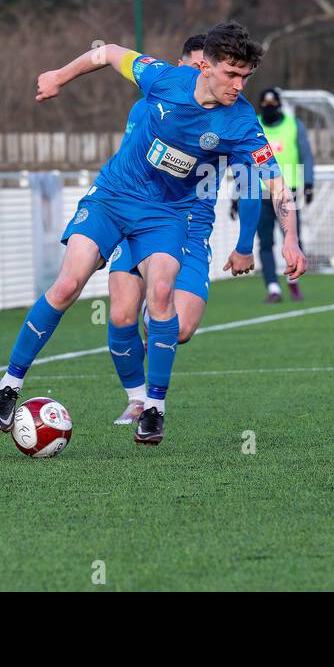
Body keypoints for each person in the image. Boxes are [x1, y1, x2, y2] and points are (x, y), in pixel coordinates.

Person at [0, 22, 306, 447]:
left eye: (245, 76)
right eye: (231, 74)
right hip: (114, 196)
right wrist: (59, 76)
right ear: (204, 66)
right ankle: (9, 385)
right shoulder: (164, 78)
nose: (238, 85)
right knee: (66, 285)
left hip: (167, 214)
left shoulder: (242, 120)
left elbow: (274, 182)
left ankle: (153, 407)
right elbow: (108, 52)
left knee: (159, 295)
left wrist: (290, 238)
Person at [103, 34, 263, 425]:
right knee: (122, 314)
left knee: (181, 327)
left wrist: (249, 240)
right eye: (193, 69)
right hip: (140, 217)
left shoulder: (232, 116)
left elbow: (255, 176)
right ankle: (138, 400)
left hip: (190, 227)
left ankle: (154, 348)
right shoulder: (150, 108)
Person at [256, 87, 314, 303]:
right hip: (259, 193)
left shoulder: (293, 125)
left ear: (279, 104)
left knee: (292, 239)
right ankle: (273, 288)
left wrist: (309, 183)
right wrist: (237, 195)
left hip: (288, 193)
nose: (269, 106)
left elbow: (306, 155)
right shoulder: (253, 125)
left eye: (273, 102)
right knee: (265, 242)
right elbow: (243, 160)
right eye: (265, 102)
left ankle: (293, 281)